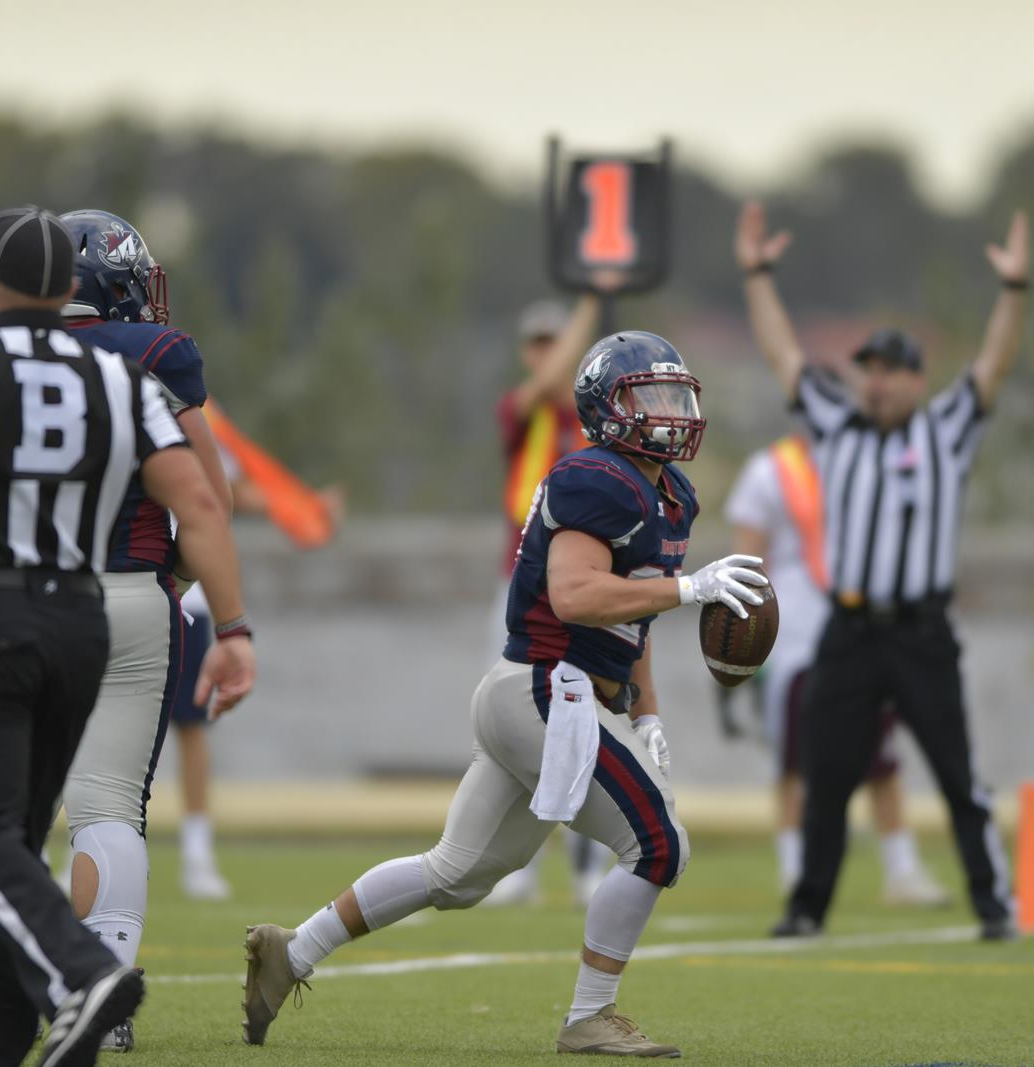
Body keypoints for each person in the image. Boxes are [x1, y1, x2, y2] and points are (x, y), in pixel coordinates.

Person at [239, 331, 768, 1057]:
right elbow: (578, 594)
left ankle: (292, 950)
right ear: (607, 409)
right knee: (658, 844)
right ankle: (591, 1014)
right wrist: (687, 588)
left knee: (456, 873)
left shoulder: (671, 494)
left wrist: (647, 715)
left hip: (543, 693)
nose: (671, 411)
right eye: (651, 396)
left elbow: (633, 614)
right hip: (548, 688)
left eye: (678, 395)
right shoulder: (598, 478)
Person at [0, 204, 255, 1067]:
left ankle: (37, 993)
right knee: (107, 807)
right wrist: (223, 616)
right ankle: (85, 995)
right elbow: (204, 501)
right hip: (118, 603)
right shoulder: (140, 366)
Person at [735, 201, 1030, 941]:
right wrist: (757, 274)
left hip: (923, 630)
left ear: (916, 380)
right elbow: (783, 356)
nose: (877, 383)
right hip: (852, 625)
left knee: (956, 775)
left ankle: (992, 902)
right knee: (828, 775)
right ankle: (807, 906)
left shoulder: (947, 429)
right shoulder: (836, 426)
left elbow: (993, 366)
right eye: (869, 369)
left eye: (892, 372)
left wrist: (1014, 292)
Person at [724, 435, 949, 906]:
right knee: (793, 762)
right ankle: (794, 868)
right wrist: (746, 647)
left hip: (859, 631)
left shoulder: (870, 463)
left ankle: (901, 869)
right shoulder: (770, 470)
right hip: (793, 639)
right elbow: (747, 562)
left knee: (881, 757)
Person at [169, 405, 343, 900]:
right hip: (124, 585)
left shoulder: (191, 411)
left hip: (183, 595)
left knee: (191, 726)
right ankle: (79, 849)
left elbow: (227, 492)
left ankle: (196, 853)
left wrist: (303, 509)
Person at [484, 291, 615, 908]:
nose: (548, 358)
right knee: (519, 723)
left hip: (585, 586)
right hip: (521, 585)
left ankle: (586, 864)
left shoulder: (596, 425)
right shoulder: (523, 411)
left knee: (591, 724)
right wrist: (593, 305)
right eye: (539, 345)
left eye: (554, 344)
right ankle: (520, 870)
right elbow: (541, 386)